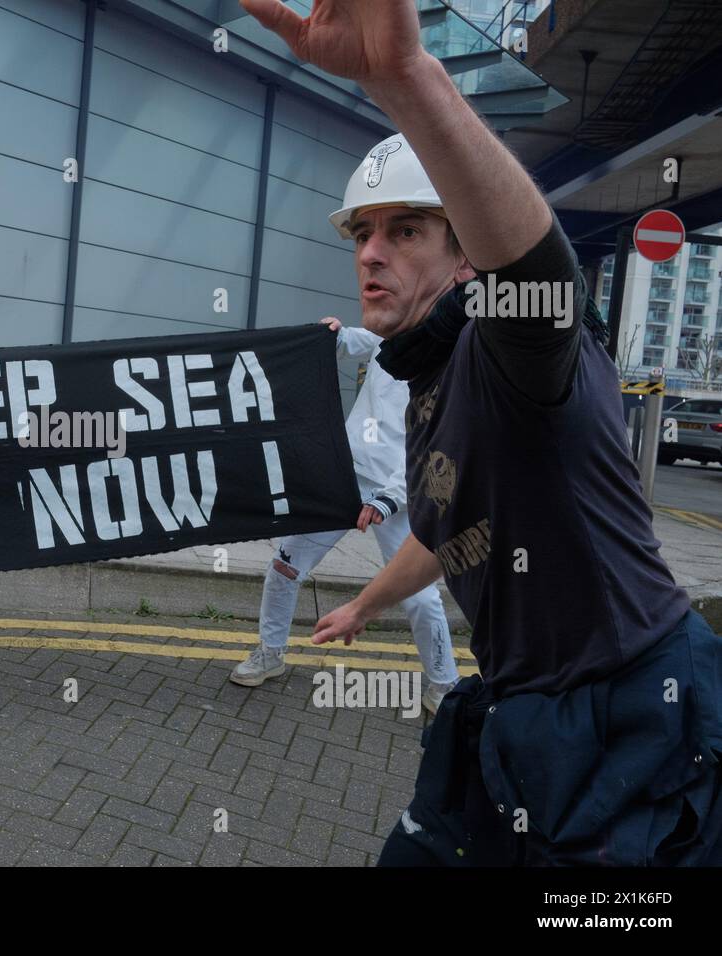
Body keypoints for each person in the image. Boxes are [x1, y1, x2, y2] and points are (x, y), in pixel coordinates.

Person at [242, 0, 722, 865]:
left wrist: (404, 78)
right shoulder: (424, 372)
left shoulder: (512, 350)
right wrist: (365, 603)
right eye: (365, 233)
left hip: (633, 713)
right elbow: (447, 529)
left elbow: (538, 270)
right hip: (521, 706)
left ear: (467, 263)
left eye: (407, 231)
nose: (371, 253)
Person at [231, 316, 461, 718]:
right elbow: (347, 342)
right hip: (343, 479)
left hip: (399, 495)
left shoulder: (454, 371)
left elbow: (434, 448)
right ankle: (271, 653)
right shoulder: (390, 339)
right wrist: (328, 333)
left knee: (422, 599)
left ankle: (445, 684)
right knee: (284, 568)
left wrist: (388, 499)